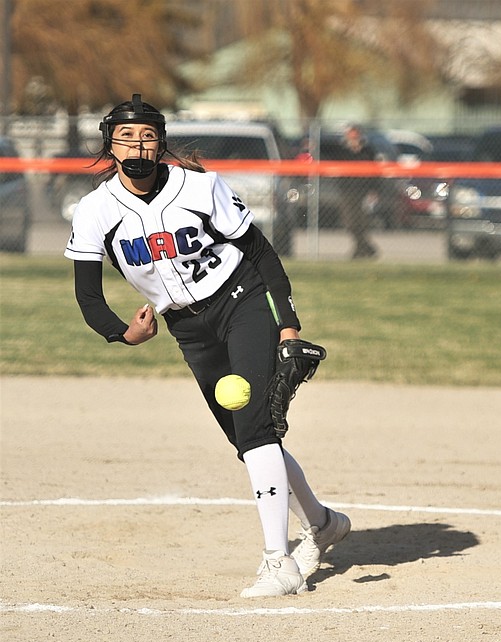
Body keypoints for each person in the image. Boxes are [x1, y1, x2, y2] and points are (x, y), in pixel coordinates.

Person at [64, 95, 352, 598]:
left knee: (257, 429)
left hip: (242, 301)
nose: (138, 144)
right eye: (127, 136)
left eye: (148, 136)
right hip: (188, 330)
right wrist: (122, 332)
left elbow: (259, 251)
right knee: (249, 441)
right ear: (109, 144)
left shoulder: (198, 186)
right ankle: (324, 524)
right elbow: (87, 294)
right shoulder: (95, 210)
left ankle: (277, 561)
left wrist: (288, 325)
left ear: (162, 143)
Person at [338, 124, 380, 259]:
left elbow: (376, 172)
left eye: (355, 135)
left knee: (362, 222)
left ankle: (360, 250)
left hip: (363, 191)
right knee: (350, 222)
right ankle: (367, 248)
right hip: (347, 191)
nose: (353, 138)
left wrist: (374, 191)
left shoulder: (368, 151)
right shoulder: (343, 151)